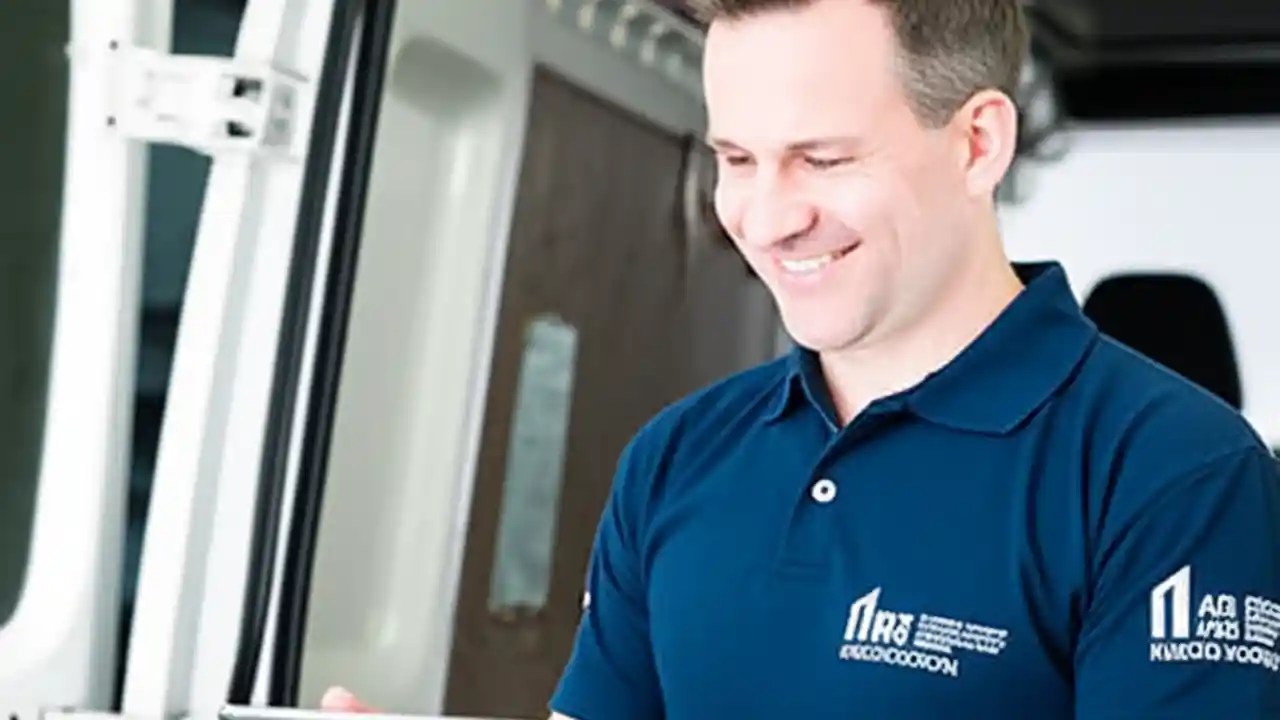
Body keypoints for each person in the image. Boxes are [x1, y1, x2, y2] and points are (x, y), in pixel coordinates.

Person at [324, 0, 1280, 717]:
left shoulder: (1175, 476)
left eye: (822, 160)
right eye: (737, 160)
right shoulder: (678, 457)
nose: (770, 218)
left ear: (979, 142)